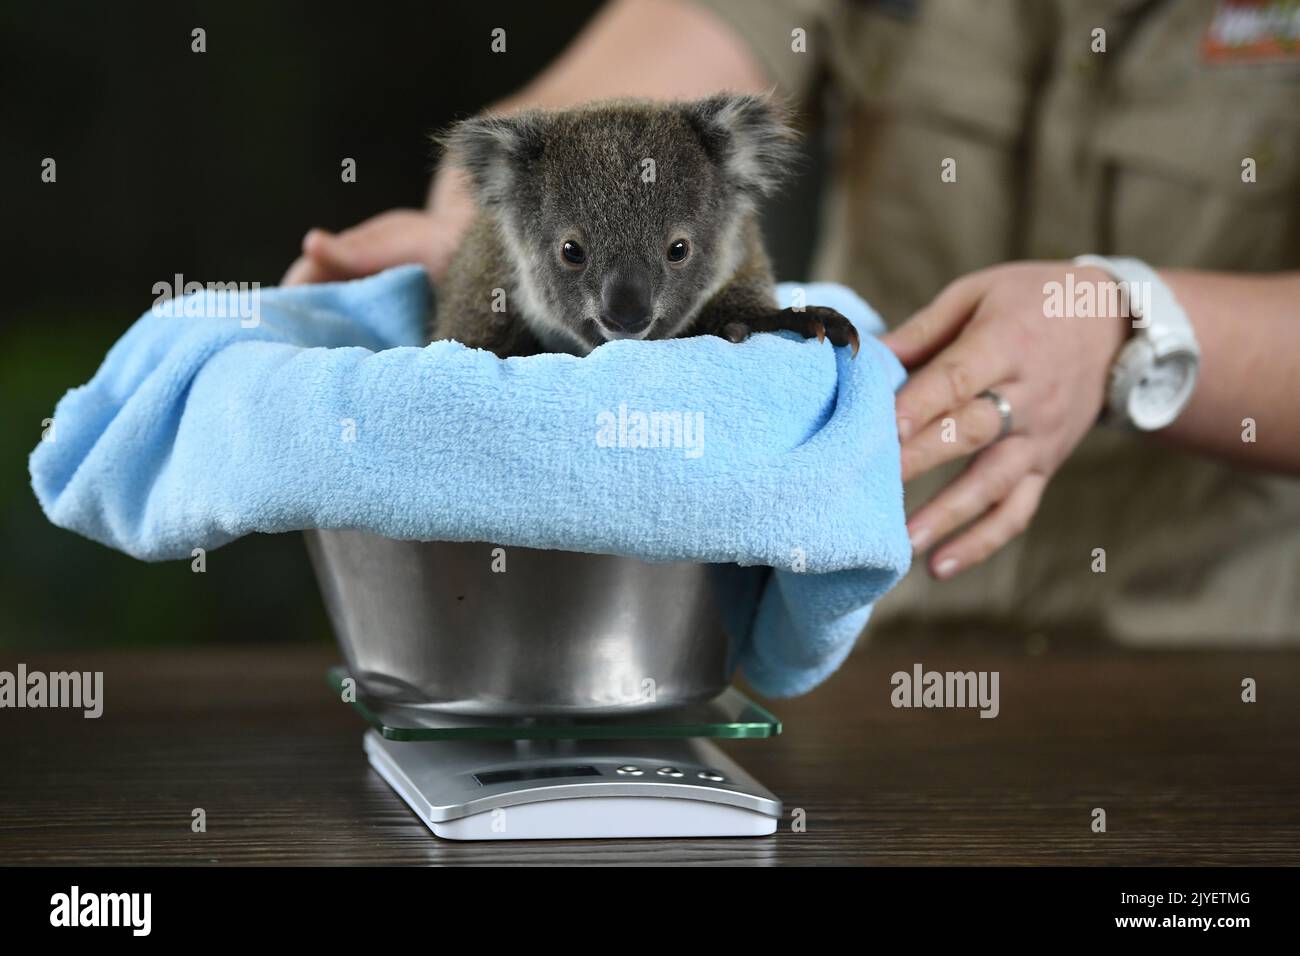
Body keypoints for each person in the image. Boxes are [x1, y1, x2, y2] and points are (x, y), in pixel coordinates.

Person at [284, 0, 1300, 646]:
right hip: (853, 610)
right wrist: (484, 237)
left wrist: (1125, 320)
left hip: (1221, 648)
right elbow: (633, 93)